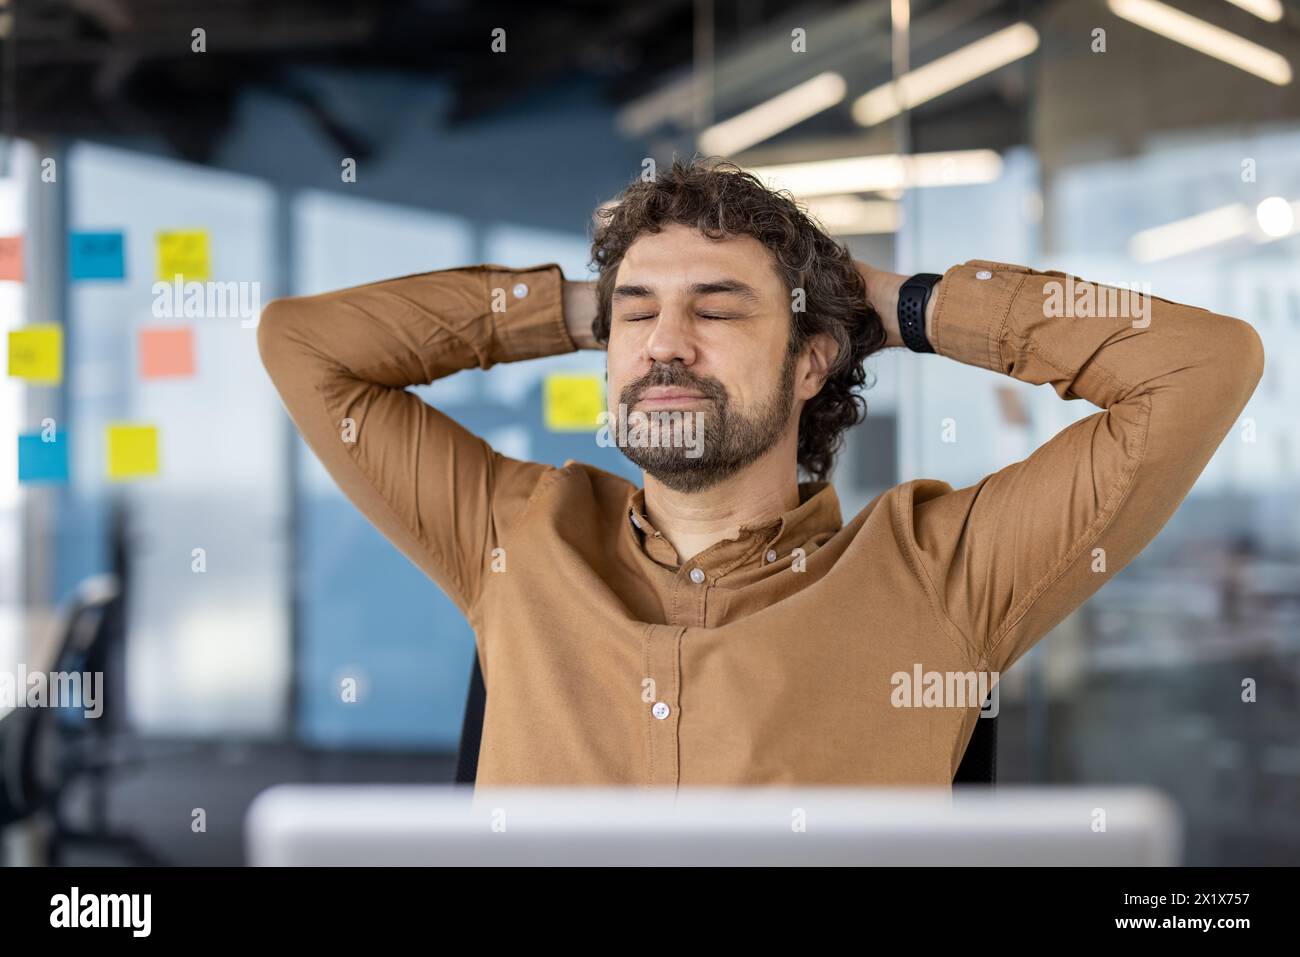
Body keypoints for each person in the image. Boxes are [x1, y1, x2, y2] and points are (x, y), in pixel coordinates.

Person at [257, 156, 1264, 787]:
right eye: (640, 312)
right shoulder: (510, 531)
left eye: (721, 307)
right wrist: (579, 305)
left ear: (811, 356)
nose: (665, 343)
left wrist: (899, 303)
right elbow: (303, 344)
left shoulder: (947, 571)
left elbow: (1199, 365)